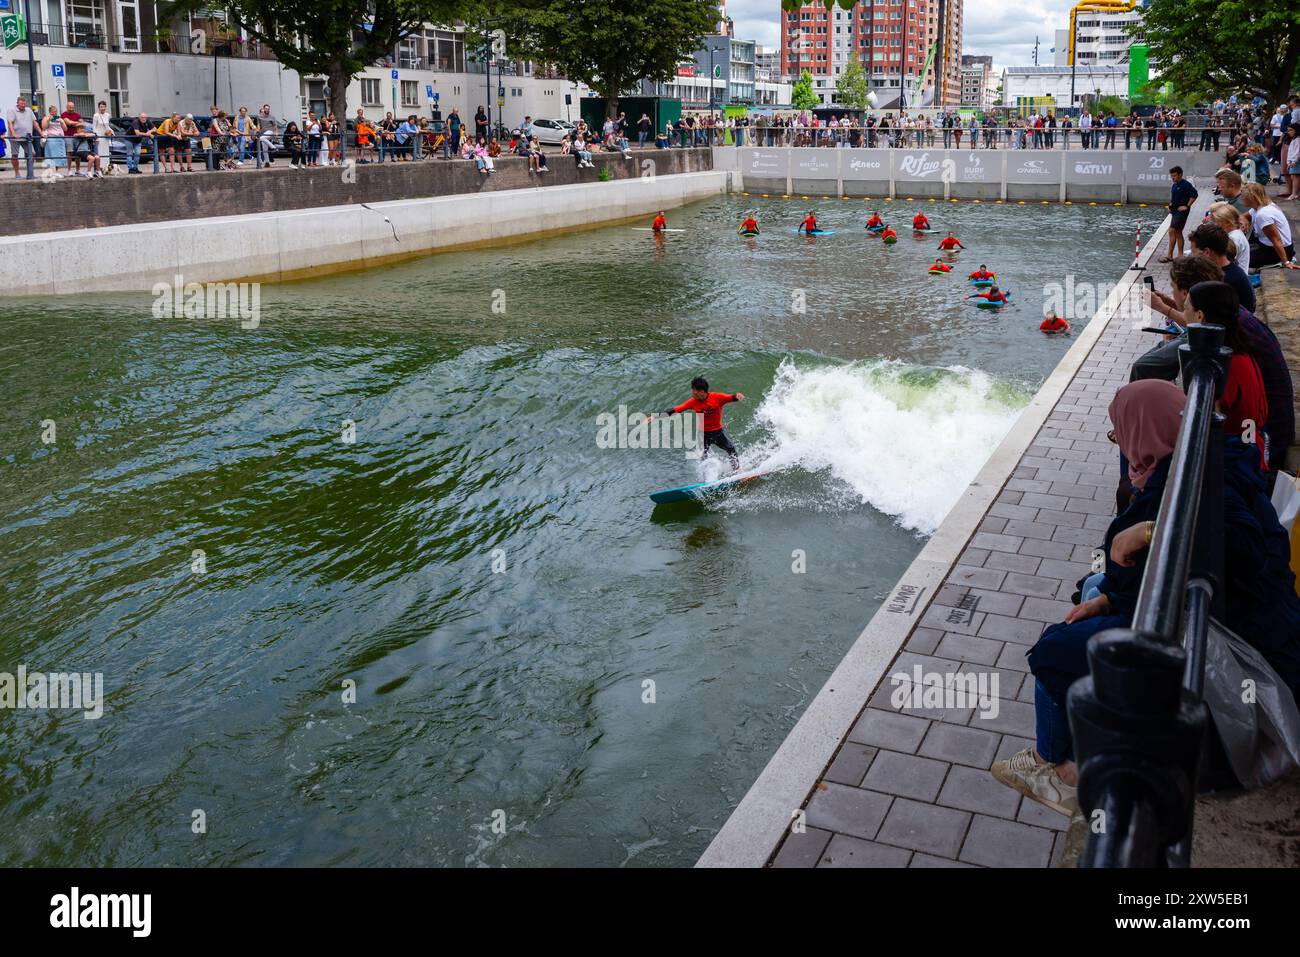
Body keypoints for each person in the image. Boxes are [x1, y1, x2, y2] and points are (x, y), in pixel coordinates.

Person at [994, 378, 1300, 815]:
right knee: (1094, 589)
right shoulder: (1214, 460)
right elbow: (1171, 570)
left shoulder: (1181, 488)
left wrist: (1140, 536)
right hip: (1235, 622)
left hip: (1244, 665)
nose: (1119, 442)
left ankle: (1059, 771)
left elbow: (1215, 558)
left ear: (1145, 430)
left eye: (1120, 431)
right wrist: (1110, 590)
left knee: (1053, 649)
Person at [656, 377, 745, 471]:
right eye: (692, 390)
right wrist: (654, 417)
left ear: (702, 391)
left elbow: (730, 397)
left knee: (731, 449)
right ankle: (706, 479)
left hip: (718, 432)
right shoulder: (692, 402)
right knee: (703, 457)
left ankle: (737, 471)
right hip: (703, 434)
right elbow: (675, 410)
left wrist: (737, 396)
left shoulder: (717, 397)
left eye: (695, 391)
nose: (693, 392)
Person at [1188, 222, 1255, 313]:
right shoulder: (1231, 272)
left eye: (1193, 251)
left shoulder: (1224, 282)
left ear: (1207, 252)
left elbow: (1200, 321)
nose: (1191, 256)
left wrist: (1165, 309)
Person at [1242, 182, 1294, 267]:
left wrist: (1286, 262)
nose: (1242, 198)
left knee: (1242, 260)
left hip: (1276, 251)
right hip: (1266, 244)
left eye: (1243, 196)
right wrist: (1244, 220)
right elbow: (1243, 216)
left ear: (1252, 198)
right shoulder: (1258, 207)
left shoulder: (1263, 215)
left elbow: (1276, 240)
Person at [1160, 166, 1198, 262]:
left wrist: (1187, 206)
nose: (1173, 178)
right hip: (1175, 211)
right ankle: (1175, 255)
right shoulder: (1175, 185)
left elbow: (1194, 195)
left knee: (1172, 230)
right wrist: (1171, 205)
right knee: (1177, 232)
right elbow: (1175, 198)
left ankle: (1173, 255)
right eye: (1171, 176)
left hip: (1181, 212)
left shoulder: (1185, 184)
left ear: (1180, 174)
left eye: (1174, 176)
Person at [1206, 201, 1251, 273]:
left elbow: (1224, 262)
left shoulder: (1233, 239)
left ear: (1228, 222)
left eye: (1216, 221)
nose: (1214, 224)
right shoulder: (1234, 233)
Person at [5, 96, 37, 177]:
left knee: (32, 154)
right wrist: (13, 134)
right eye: (21, 104)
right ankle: (17, 173)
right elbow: (10, 124)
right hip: (15, 137)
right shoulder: (11, 110)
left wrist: (41, 133)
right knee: (15, 155)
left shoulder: (29, 110)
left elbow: (35, 123)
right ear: (17, 103)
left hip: (27, 137)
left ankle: (30, 172)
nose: (23, 105)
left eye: (24, 103)